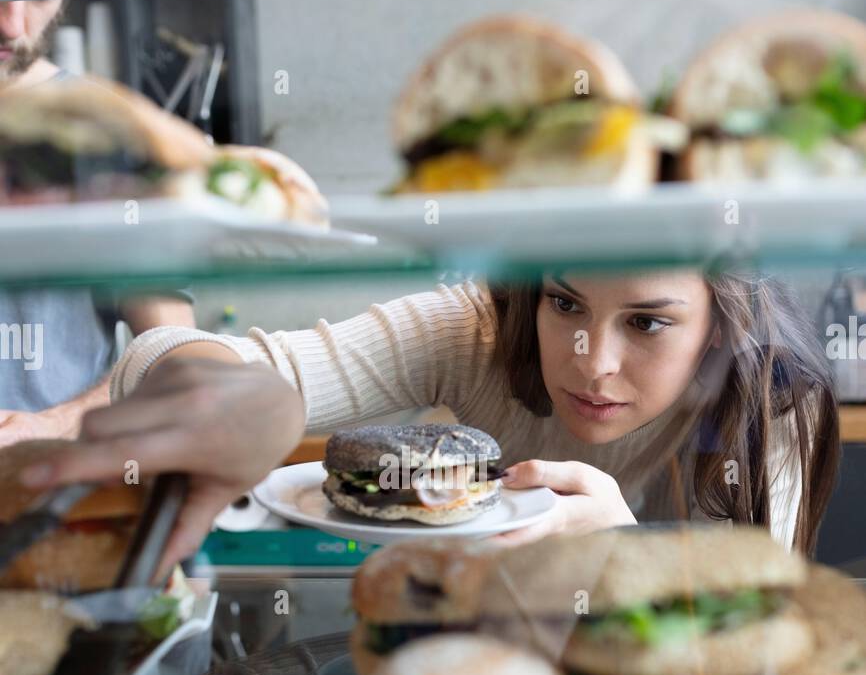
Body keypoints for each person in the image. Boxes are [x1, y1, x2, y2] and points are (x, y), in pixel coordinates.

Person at [20, 263, 840, 570]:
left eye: (648, 322)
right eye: (565, 303)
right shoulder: (476, 330)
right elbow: (174, 358)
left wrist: (629, 555)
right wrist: (223, 390)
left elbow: (758, 629)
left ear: (725, 319)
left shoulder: (773, 402)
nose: (592, 361)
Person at [0, 0, 195, 446]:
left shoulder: (104, 135)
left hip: (49, 500)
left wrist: (50, 425)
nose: (13, 22)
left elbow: (177, 361)